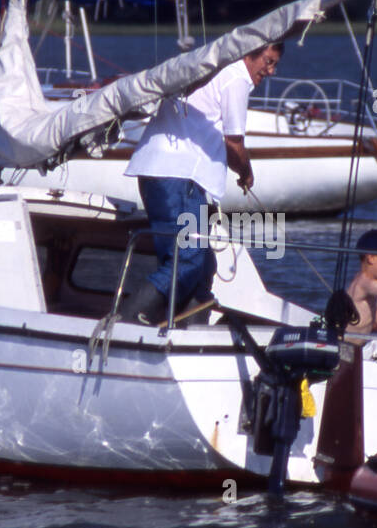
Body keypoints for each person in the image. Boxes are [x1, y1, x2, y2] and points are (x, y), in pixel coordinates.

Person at [119, 43, 283, 324]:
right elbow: (234, 143)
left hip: (159, 174)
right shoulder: (236, 77)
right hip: (179, 178)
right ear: (248, 53)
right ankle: (127, 322)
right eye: (267, 61)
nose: (270, 70)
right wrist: (246, 172)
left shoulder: (211, 69)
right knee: (187, 261)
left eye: (275, 64)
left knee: (204, 264)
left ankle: (188, 333)